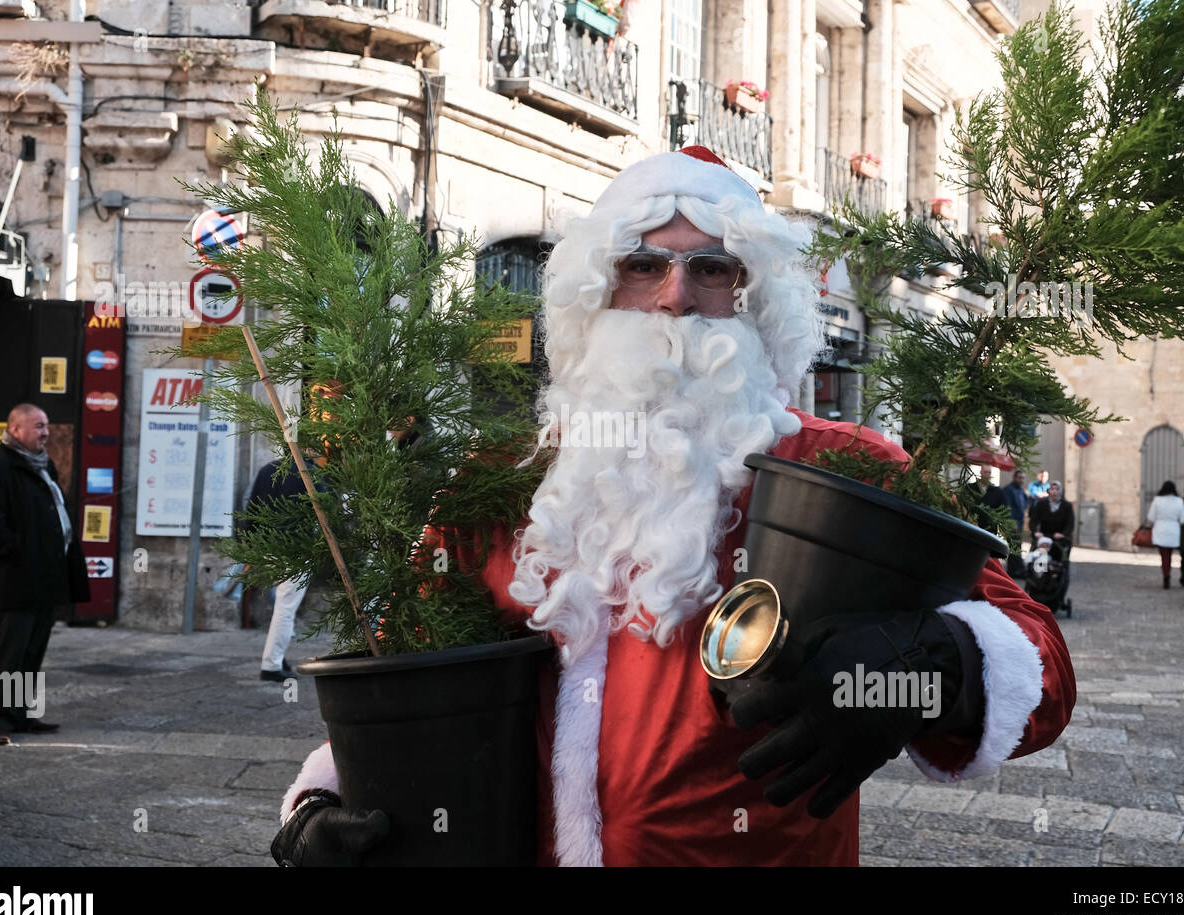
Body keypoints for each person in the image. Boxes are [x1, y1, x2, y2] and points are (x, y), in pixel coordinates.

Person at [270, 147, 1076, 866]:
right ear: (596, 290)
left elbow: (1040, 670)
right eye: (642, 265)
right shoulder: (500, 480)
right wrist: (330, 798)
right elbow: (409, 679)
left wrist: (931, 667)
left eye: (711, 269)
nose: (674, 298)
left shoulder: (849, 468)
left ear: (751, 298)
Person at [0, 403, 89, 745]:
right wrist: (24, 553)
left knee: (31, 653)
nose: (46, 432)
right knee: (6, 655)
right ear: (16, 430)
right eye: (38, 426)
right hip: (13, 583)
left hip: (44, 581)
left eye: (47, 425)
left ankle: (20, 715)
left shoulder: (42, 466)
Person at [243, 458, 310, 681]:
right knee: (286, 607)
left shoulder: (266, 469)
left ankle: (277, 657)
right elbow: (325, 511)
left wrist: (247, 547)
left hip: (269, 547)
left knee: (282, 603)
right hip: (297, 550)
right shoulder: (309, 472)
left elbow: (251, 509)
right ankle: (271, 665)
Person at [1147, 480, 1184, 590]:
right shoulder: (1179, 501)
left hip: (1160, 529)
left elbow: (1151, 517)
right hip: (1173, 530)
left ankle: (1166, 575)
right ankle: (1167, 573)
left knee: (1164, 555)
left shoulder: (1157, 500)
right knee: (1169, 555)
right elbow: (1183, 519)